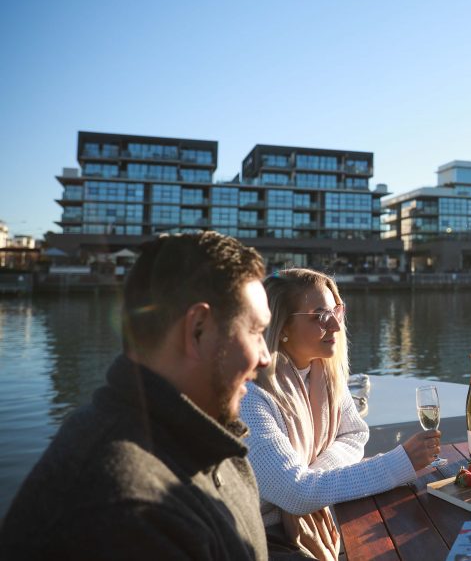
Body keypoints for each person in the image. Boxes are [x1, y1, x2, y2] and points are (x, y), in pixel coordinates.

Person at [0, 231, 272, 560]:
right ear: (197, 330)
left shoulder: (210, 440)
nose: (266, 356)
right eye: (256, 332)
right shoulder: (125, 514)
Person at [239, 268, 439, 561]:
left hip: (305, 523)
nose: (335, 325)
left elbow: (354, 433)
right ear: (280, 327)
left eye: (337, 311)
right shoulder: (250, 396)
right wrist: (400, 463)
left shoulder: (324, 372)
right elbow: (295, 493)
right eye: (320, 316)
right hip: (252, 535)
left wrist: (314, 475)